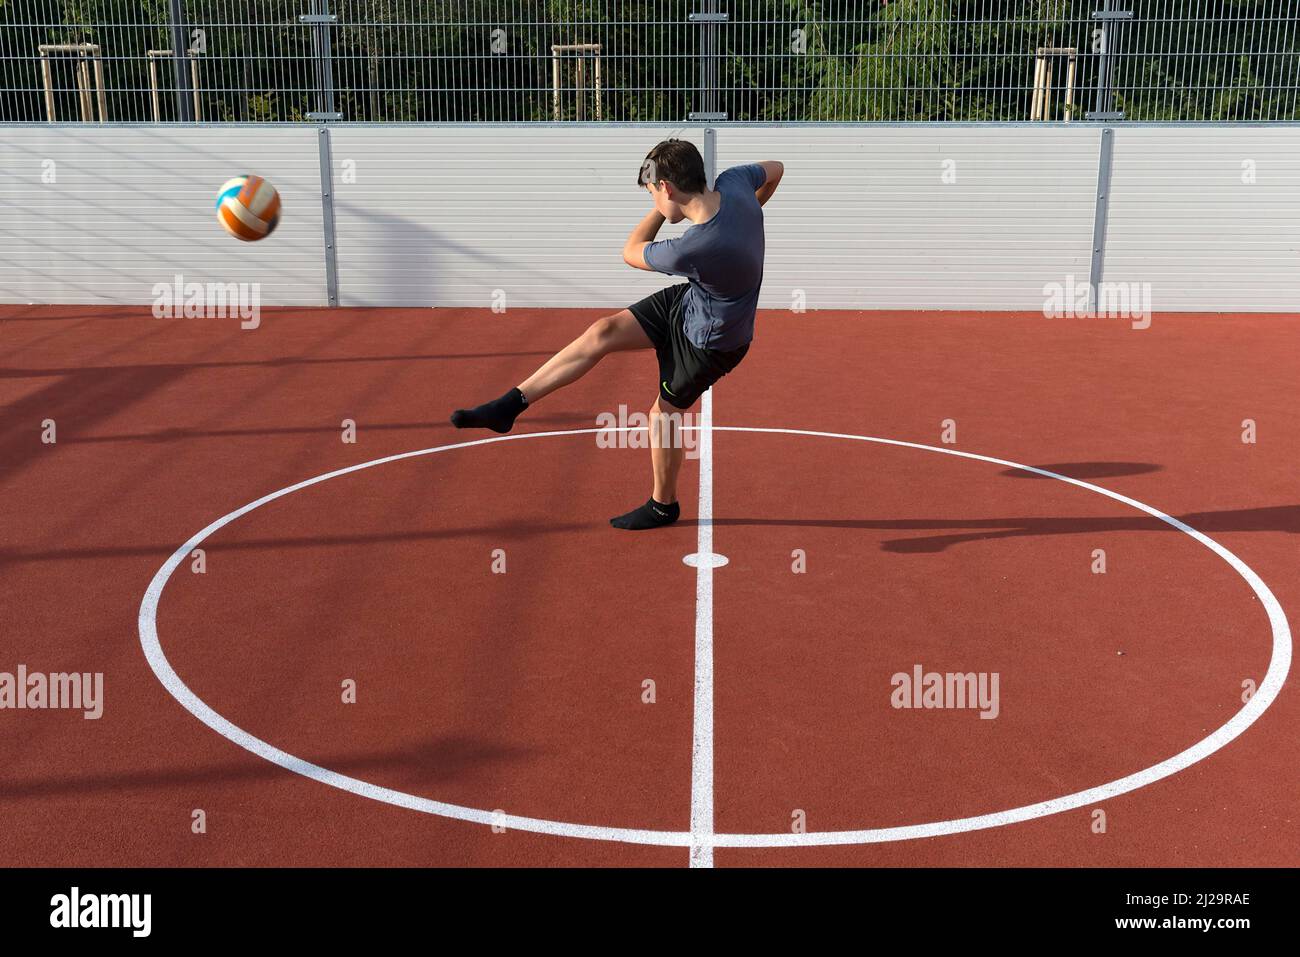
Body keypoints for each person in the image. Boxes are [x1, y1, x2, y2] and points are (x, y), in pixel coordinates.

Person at [450, 138, 783, 530]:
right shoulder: (735, 184)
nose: (652, 199)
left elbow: (630, 250)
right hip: (694, 301)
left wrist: (659, 210)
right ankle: (510, 405)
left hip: (711, 342)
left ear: (667, 188)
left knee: (664, 415)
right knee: (603, 331)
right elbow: (776, 167)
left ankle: (664, 505)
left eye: (652, 191)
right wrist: (749, 214)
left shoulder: (694, 246)